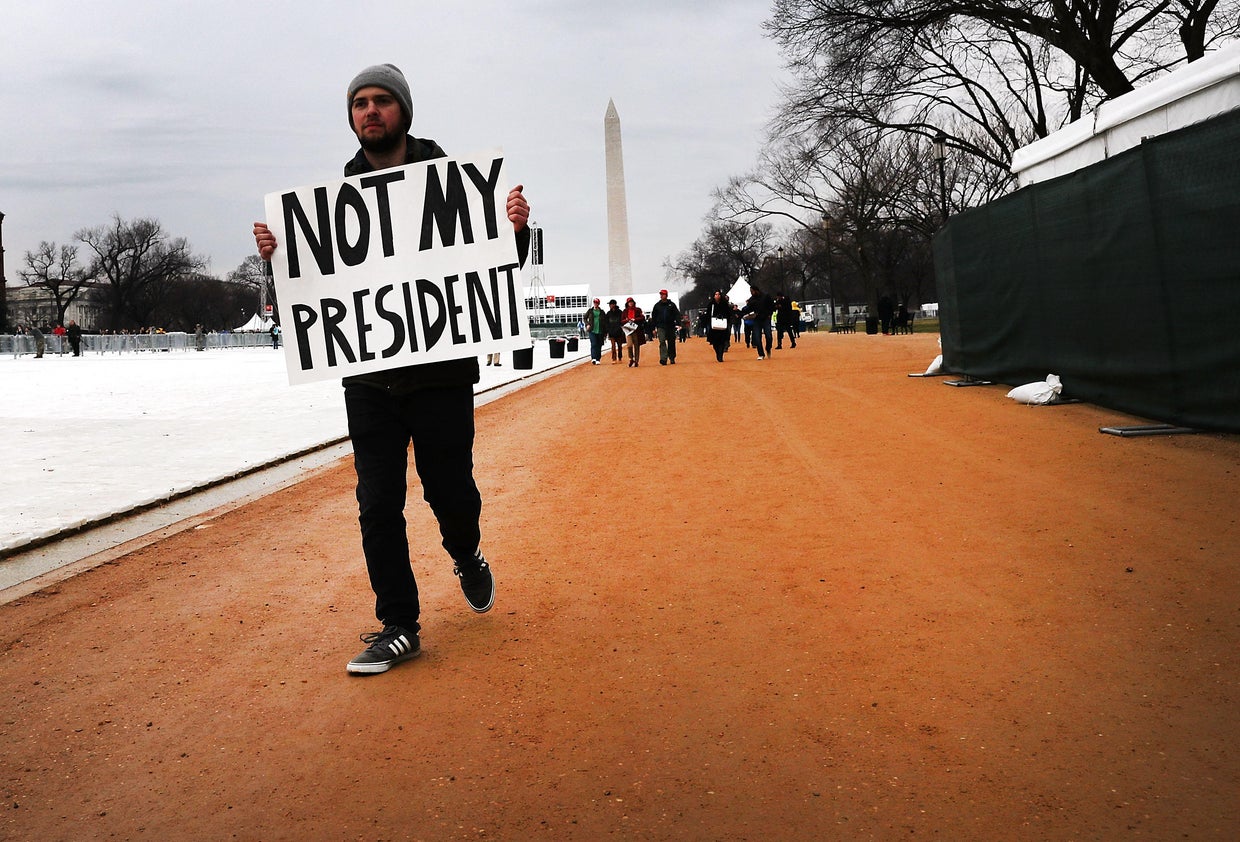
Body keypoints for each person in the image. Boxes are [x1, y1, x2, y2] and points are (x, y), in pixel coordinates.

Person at [252, 62, 531, 676]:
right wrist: (278, 259)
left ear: (403, 110)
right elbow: (318, 287)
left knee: (450, 491)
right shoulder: (332, 205)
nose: (370, 111)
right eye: (360, 103)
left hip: (441, 374)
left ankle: (467, 553)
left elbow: (491, 271)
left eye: (381, 100)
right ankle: (399, 624)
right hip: (369, 379)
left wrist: (515, 232)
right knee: (377, 503)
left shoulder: (454, 186)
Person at [649, 289, 681, 366]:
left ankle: (672, 357)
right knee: (662, 341)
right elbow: (654, 317)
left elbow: (677, 314)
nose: (662, 296)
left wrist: (679, 323)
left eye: (663, 294)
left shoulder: (672, 305)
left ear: (666, 295)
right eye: (661, 294)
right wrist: (653, 328)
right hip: (660, 326)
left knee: (671, 342)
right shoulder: (657, 306)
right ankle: (663, 358)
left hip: (670, 326)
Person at [743, 283, 775, 359]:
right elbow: (748, 309)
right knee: (757, 337)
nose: (751, 293)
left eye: (752, 291)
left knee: (768, 335)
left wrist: (770, 314)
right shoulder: (751, 299)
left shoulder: (766, 296)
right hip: (757, 319)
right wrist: (744, 312)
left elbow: (772, 306)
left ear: (756, 290)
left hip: (766, 318)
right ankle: (761, 354)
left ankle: (768, 348)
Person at [705, 290, 732, 362]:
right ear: (714, 296)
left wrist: (726, 320)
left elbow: (728, 313)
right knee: (715, 342)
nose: (717, 296)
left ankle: (720, 355)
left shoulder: (724, 304)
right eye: (716, 294)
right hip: (714, 325)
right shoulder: (711, 304)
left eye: (719, 294)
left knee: (722, 341)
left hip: (723, 325)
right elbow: (708, 314)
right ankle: (718, 352)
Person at [621, 296, 645, 367]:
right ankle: (631, 358)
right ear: (627, 303)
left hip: (636, 330)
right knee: (629, 345)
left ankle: (636, 360)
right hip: (628, 330)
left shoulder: (637, 310)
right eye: (629, 302)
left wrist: (635, 319)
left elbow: (642, 317)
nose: (630, 303)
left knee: (637, 345)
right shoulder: (625, 311)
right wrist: (626, 320)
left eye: (631, 302)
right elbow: (621, 320)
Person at [583, 298, 606, 365]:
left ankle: (598, 359)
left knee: (599, 345)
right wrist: (587, 324)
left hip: (600, 330)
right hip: (592, 330)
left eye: (597, 303)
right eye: (595, 302)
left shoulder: (602, 312)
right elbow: (584, 318)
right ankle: (593, 358)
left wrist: (605, 331)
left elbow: (605, 321)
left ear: (599, 303)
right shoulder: (590, 311)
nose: (595, 304)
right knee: (594, 344)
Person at [603, 299, 625, 363]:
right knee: (613, 346)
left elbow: (622, 321)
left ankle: (620, 357)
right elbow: (606, 323)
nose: (610, 306)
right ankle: (614, 358)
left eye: (610, 304)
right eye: (609, 304)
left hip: (619, 332)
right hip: (611, 332)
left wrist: (621, 328)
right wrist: (607, 330)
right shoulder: (608, 313)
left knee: (619, 346)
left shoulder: (620, 312)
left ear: (614, 304)